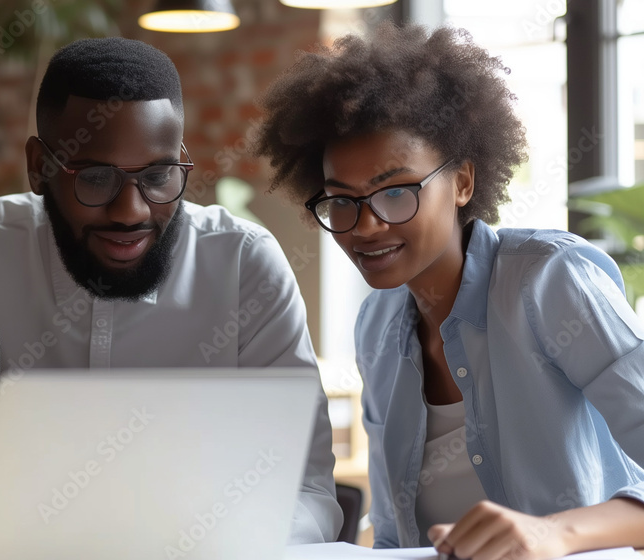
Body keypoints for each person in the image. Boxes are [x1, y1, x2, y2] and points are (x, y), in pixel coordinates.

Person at [253, 22, 644, 560]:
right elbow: (394, 537)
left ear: (462, 182)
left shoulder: (549, 281)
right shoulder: (377, 325)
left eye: (395, 193)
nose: (365, 226)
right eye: (342, 200)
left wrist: (554, 533)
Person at [0, 37, 342, 543]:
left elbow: (307, 490)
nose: (131, 211)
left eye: (157, 175)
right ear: (40, 167)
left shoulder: (243, 265)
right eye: (97, 178)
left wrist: (237, 543)